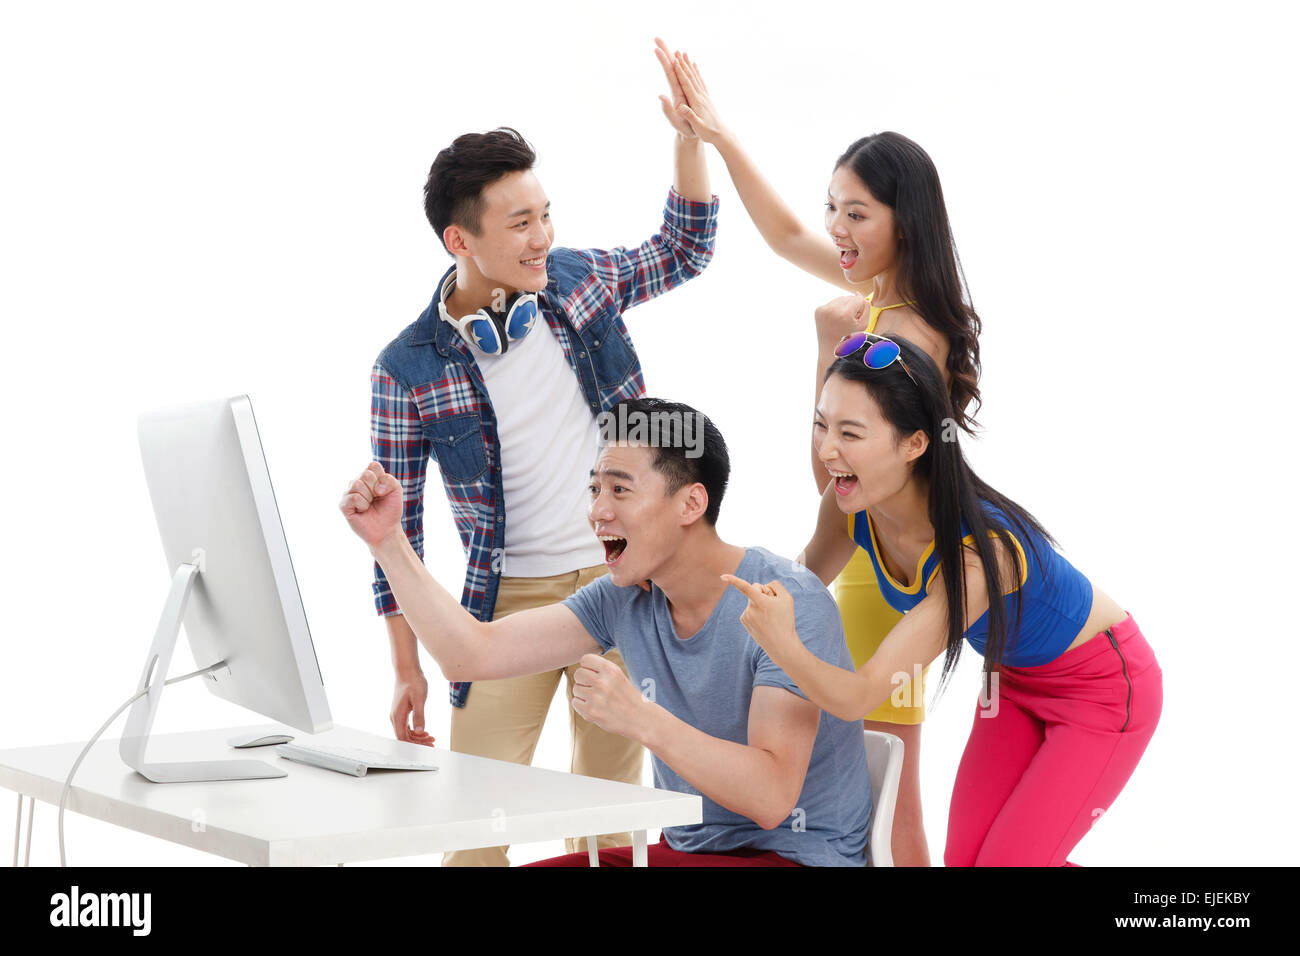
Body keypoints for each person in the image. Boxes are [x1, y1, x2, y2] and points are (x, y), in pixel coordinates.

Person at [368, 52, 718, 866]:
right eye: (520, 223)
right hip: (506, 610)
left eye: (546, 215)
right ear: (460, 239)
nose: (543, 238)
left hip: (622, 586)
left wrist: (688, 140)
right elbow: (396, 537)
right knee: (471, 835)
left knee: (608, 834)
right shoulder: (405, 369)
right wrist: (406, 666)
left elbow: (685, 249)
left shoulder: (578, 283)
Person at [657, 42, 983, 865]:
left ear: (904, 221)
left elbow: (838, 479)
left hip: (888, 580)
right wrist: (718, 137)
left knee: (891, 794)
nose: (836, 228)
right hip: (856, 562)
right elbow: (785, 234)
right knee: (878, 789)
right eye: (834, 206)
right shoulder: (877, 297)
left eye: (857, 214)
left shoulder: (906, 335)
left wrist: (825, 351)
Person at [342, 398, 872, 867]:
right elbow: (470, 655)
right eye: (595, 489)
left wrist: (640, 718)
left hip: (793, 856)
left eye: (620, 489)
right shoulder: (624, 596)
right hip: (685, 852)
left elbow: (771, 797)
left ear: (691, 503)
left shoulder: (788, 602)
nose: (597, 511)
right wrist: (388, 543)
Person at [723, 334, 1162, 866]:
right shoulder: (847, 508)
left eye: (850, 433)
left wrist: (783, 644)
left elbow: (860, 697)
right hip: (1011, 681)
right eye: (822, 425)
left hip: (1104, 689)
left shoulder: (982, 555)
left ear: (915, 444)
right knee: (967, 861)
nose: (827, 450)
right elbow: (795, 590)